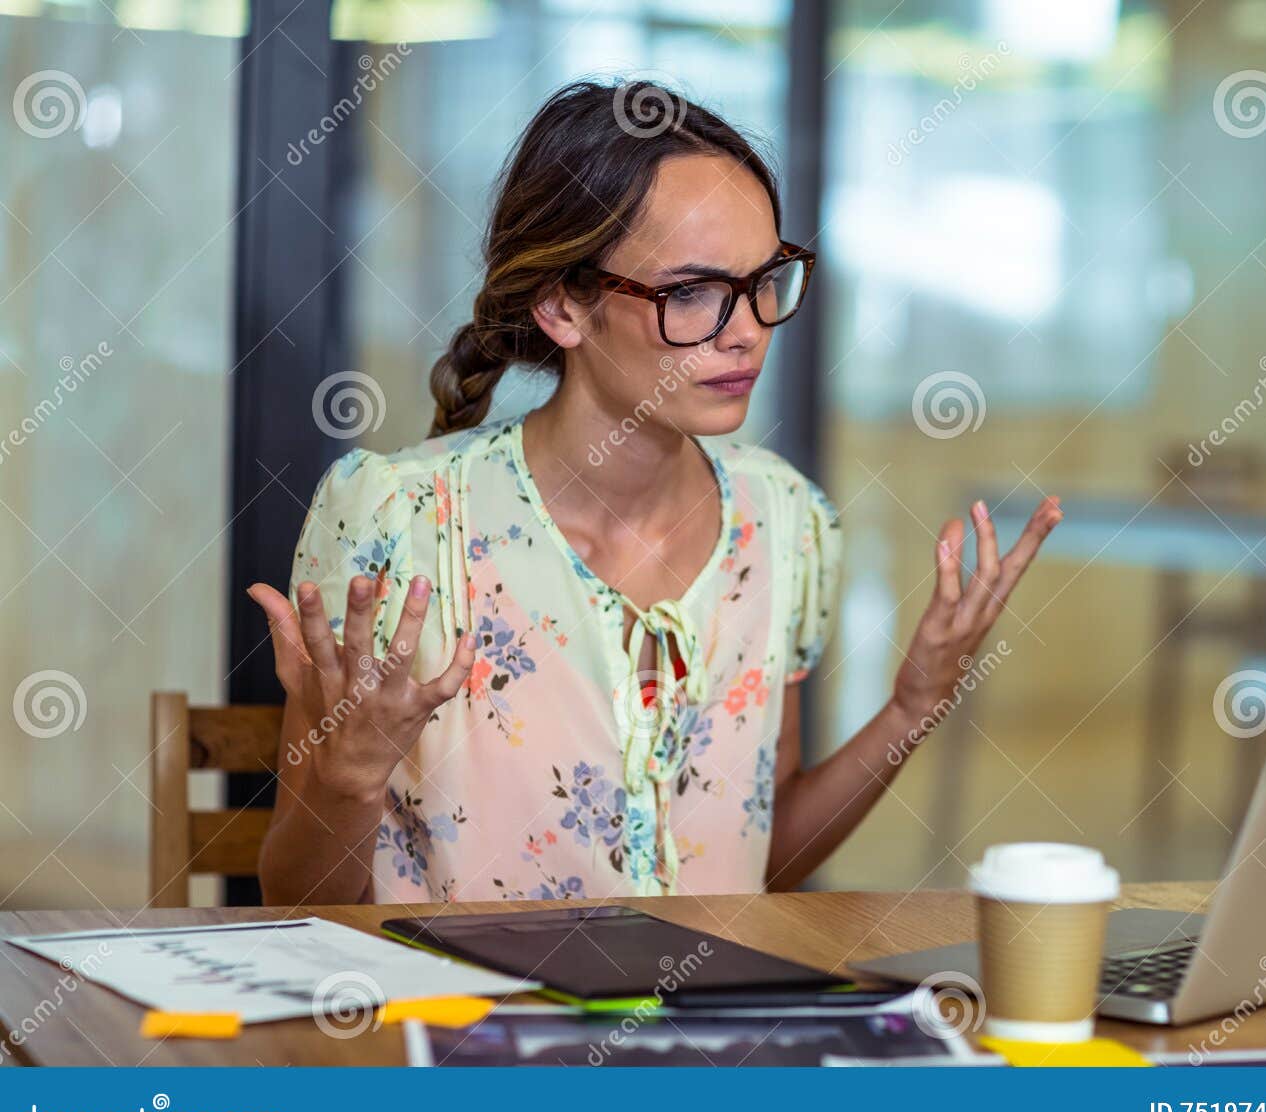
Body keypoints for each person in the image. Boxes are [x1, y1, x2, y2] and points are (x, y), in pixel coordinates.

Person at [248, 80, 1061, 906]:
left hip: (711, 995)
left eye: (764, 281)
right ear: (562, 305)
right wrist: (346, 780)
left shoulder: (785, 522)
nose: (747, 330)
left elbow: (763, 861)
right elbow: (293, 901)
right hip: (454, 995)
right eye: (690, 293)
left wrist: (911, 708)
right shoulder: (398, 519)